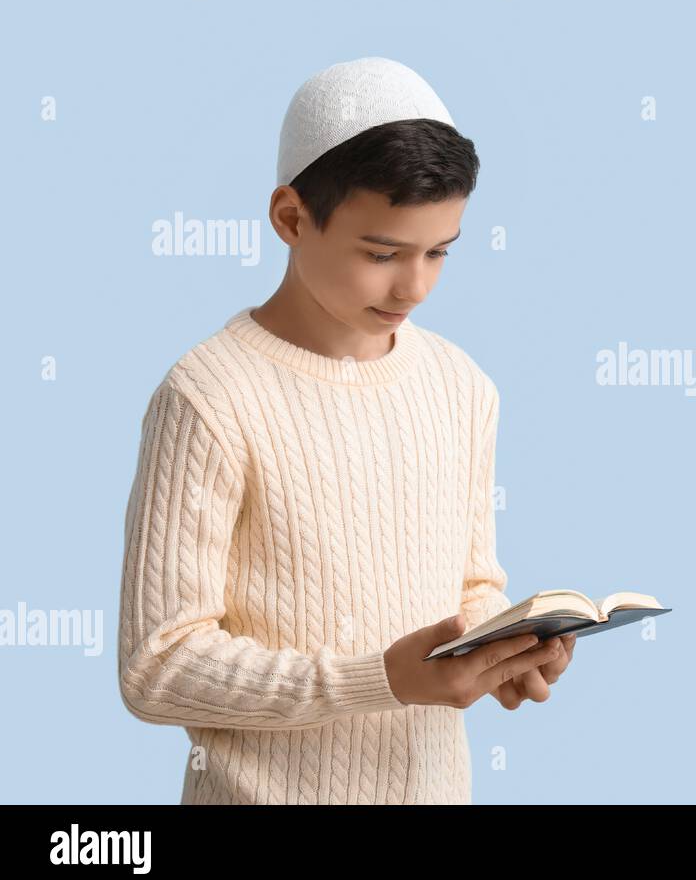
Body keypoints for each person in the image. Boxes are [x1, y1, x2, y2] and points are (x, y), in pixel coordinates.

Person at [117, 56, 574, 804]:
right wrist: (379, 680)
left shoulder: (461, 387)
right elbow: (156, 667)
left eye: (438, 253)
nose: (414, 286)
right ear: (291, 218)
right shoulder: (209, 397)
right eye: (382, 253)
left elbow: (470, 584)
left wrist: (504, 647)